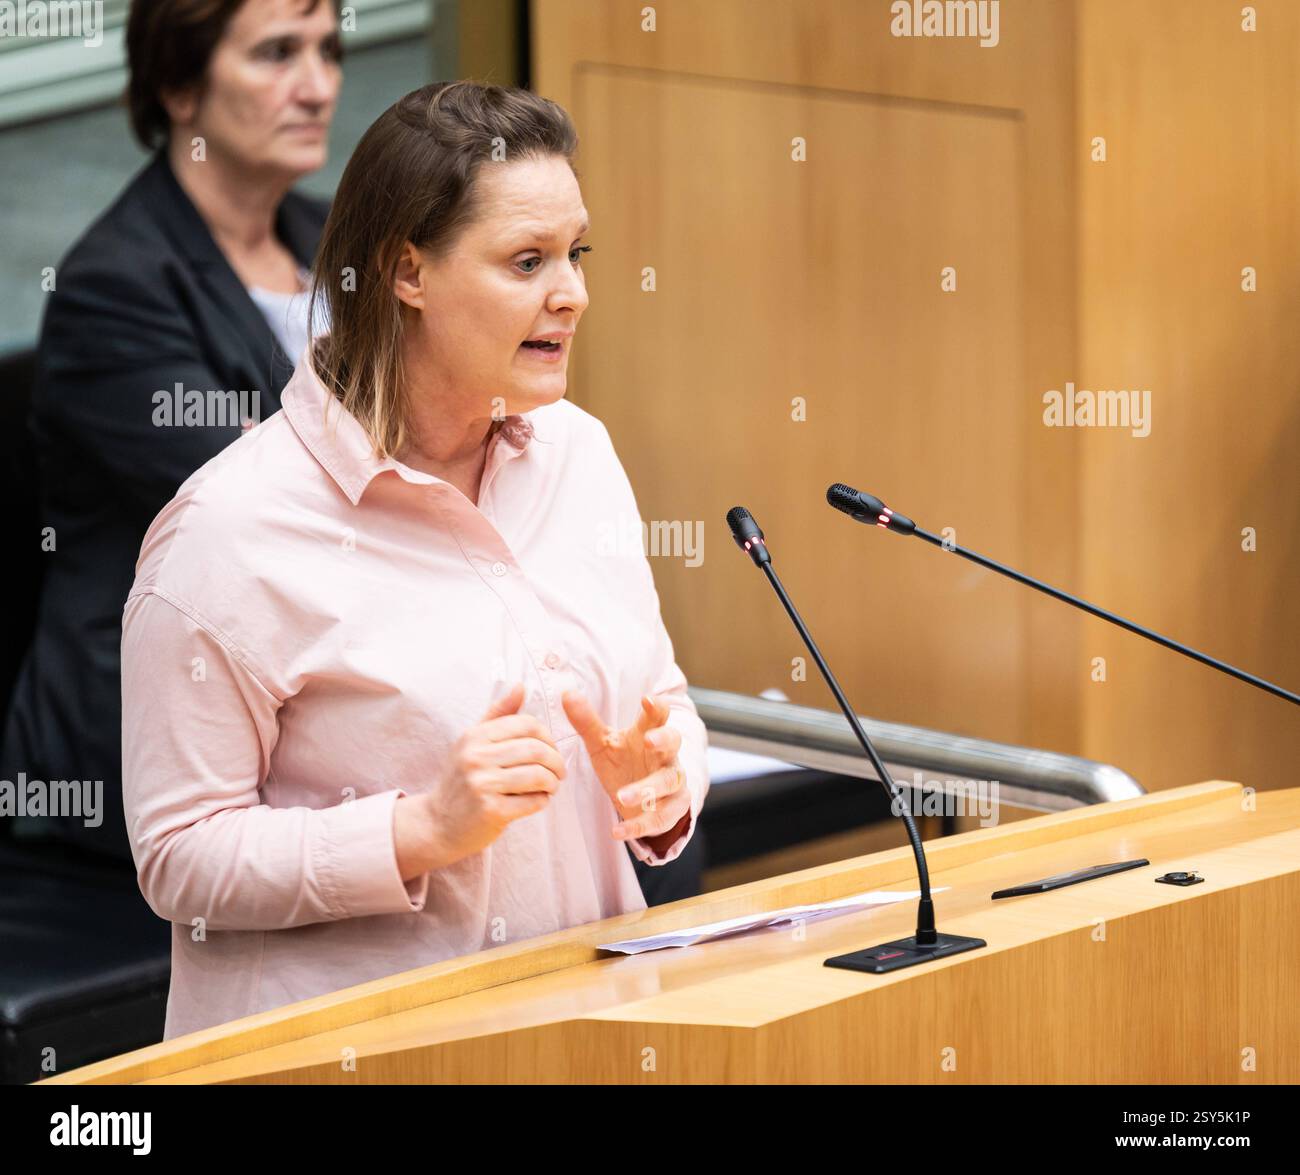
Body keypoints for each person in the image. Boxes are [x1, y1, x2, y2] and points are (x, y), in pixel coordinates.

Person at [120, 80, 711, 1040]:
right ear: (406, 273)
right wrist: (419, 829)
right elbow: (177, 857)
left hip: (583, 1036)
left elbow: (663, 699)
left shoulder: (581, 454)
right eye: (527, 260)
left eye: (576, 253)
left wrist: (664, 782)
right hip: (353, 1053)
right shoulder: (227, 535)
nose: (574, 291)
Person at [2, 0, 341, 860]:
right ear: (179, 86)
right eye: (276, 54)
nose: (317, 86)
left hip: (311, 708)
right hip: (156, 764)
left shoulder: (336, 237)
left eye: (328, 51)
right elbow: (277, 517)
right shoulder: (113, 287)